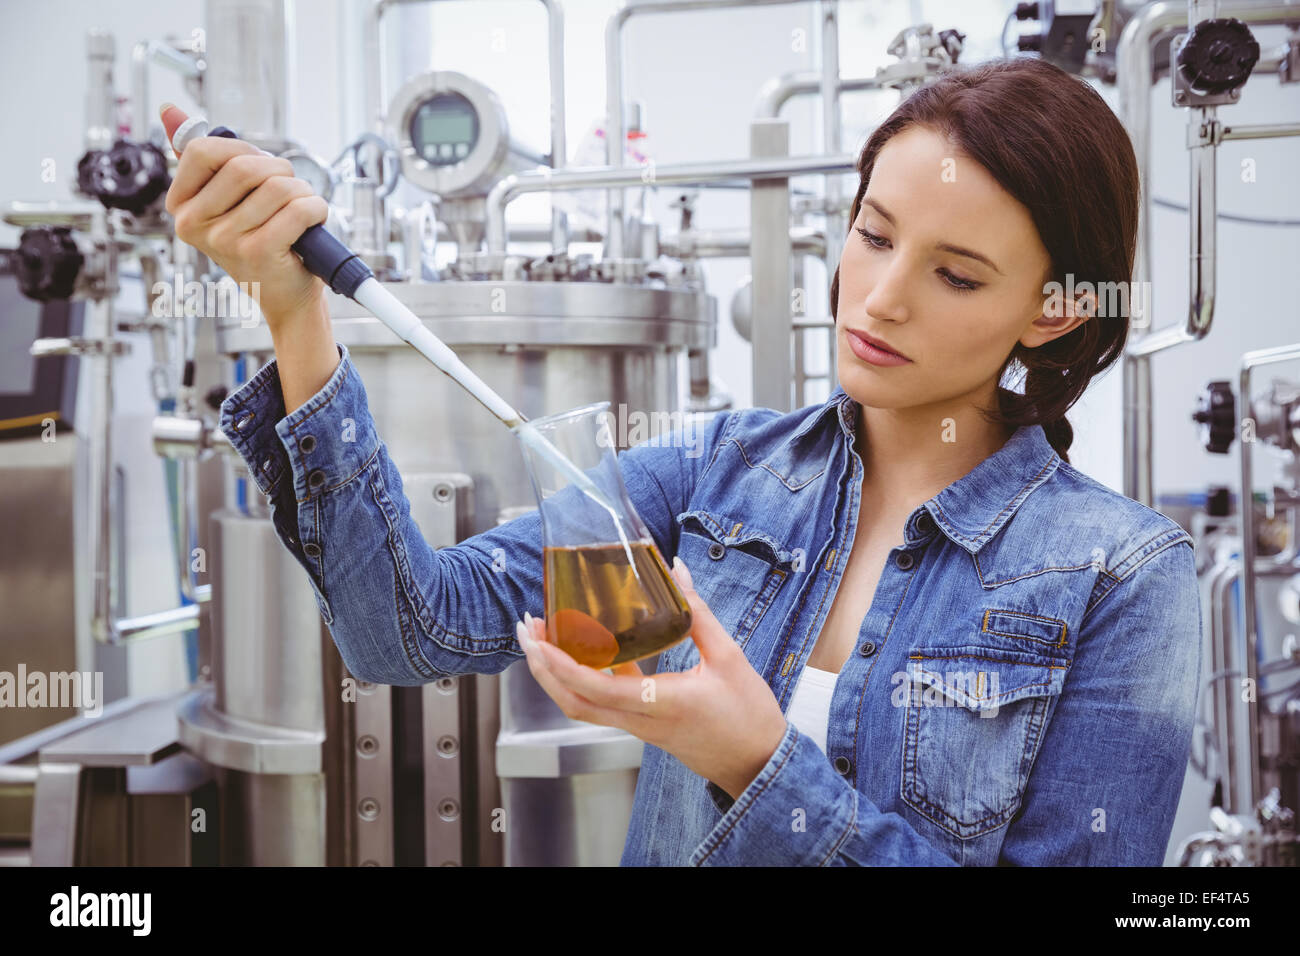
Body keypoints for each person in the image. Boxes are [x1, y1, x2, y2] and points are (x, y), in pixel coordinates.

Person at [161, 55, 1202, 866]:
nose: (880, 296)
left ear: (1055, 308)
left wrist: (754, 761)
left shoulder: (1119, 576)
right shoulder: (721, 478)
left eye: (958, 275)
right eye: (873, 234)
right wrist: (294, 312)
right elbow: (409, 629)